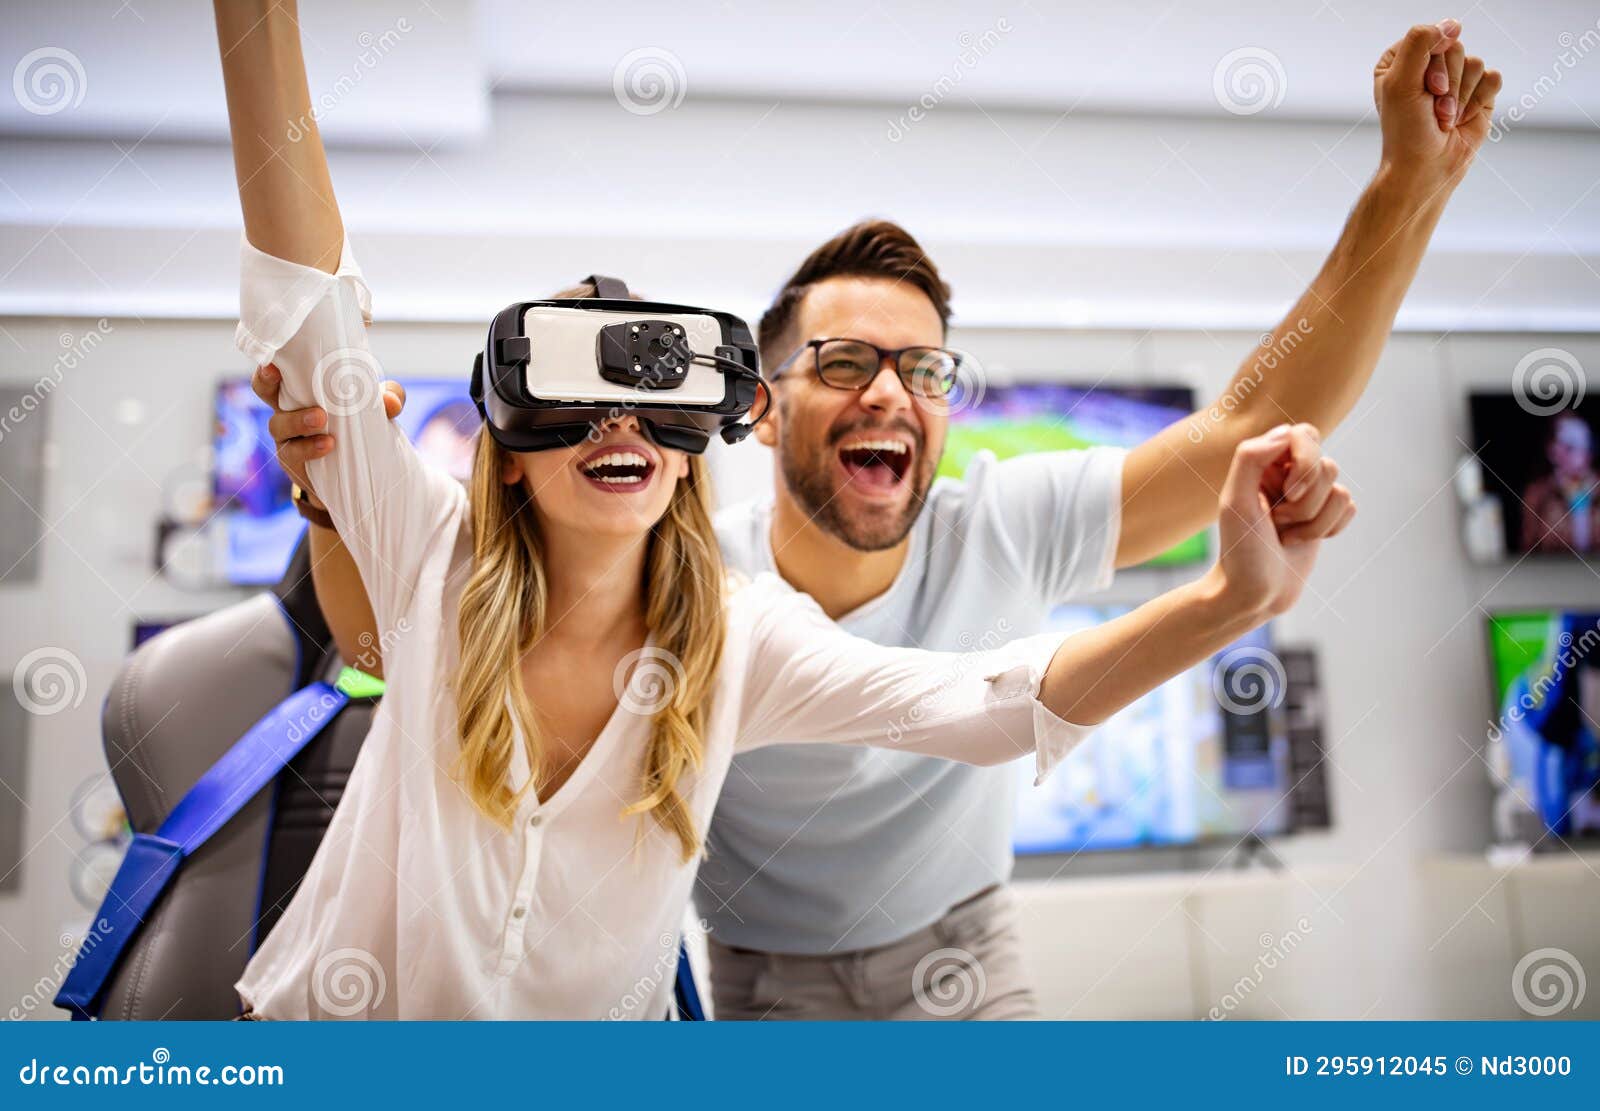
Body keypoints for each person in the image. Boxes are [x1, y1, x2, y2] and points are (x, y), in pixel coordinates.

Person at [261, 18, 1495, 1019]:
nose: (892, 393)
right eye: (846, 360)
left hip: (961, 953)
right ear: (755, 414)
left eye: (926, 370)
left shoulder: (897, 569)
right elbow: (321, 357)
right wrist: (331, 493)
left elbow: (1017, 675)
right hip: (744, 979)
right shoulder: (580, 577)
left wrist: (1405, 194)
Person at [1520, 411, 1598, 554]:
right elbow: (1528, 552)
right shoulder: (1537, 495)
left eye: (1586, 446)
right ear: (1552, 450)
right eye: (1571, 447)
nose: (1581, 456)